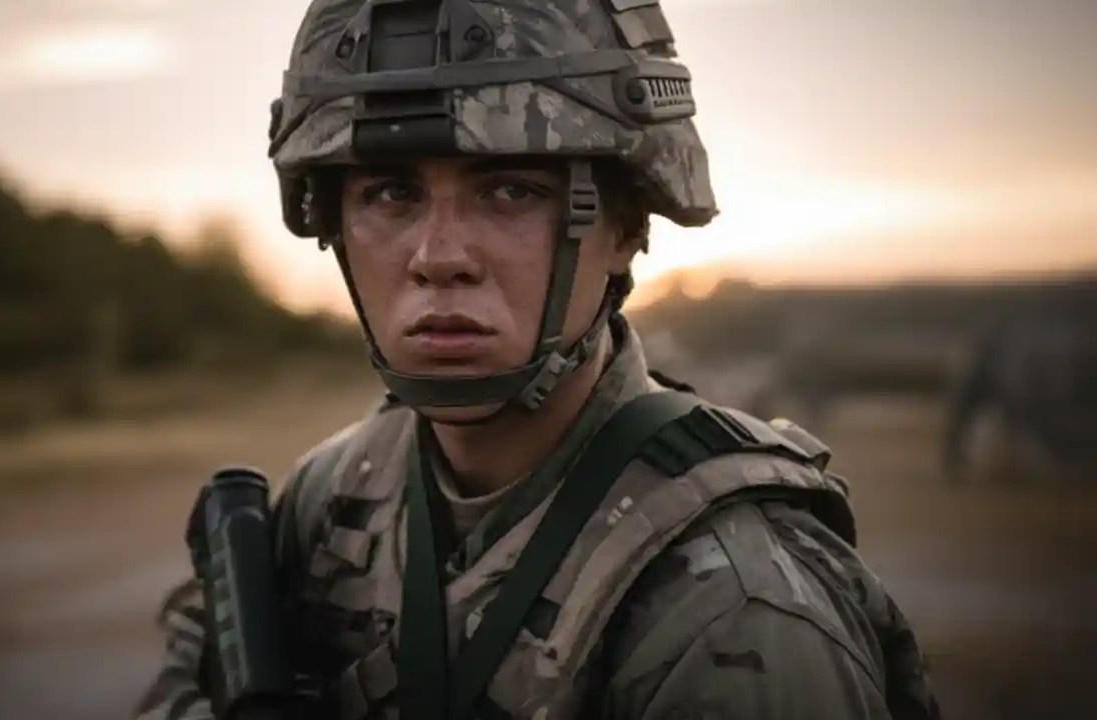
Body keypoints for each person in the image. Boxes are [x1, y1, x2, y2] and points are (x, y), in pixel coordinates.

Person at [135, 1, 940, 718]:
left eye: (510, 190)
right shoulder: (333, 496)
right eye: (389, 193)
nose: (438, 256)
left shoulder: (734, 605)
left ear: (625, 228)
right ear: (333, 226)